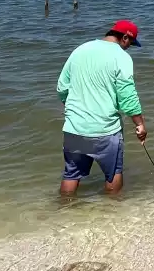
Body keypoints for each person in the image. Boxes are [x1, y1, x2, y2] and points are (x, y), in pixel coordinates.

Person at [55, 20, 147, 195]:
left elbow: (62, 87)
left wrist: (74, 109)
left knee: (71, 175)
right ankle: (113, 215)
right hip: (105, 130)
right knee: (113, 175)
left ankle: (64, 213)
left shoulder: (80, 50)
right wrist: (140, 124)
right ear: (125, 38)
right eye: (131, 44)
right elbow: (127, 97)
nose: (128, 48)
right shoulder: (121, 57)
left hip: (74, 128)